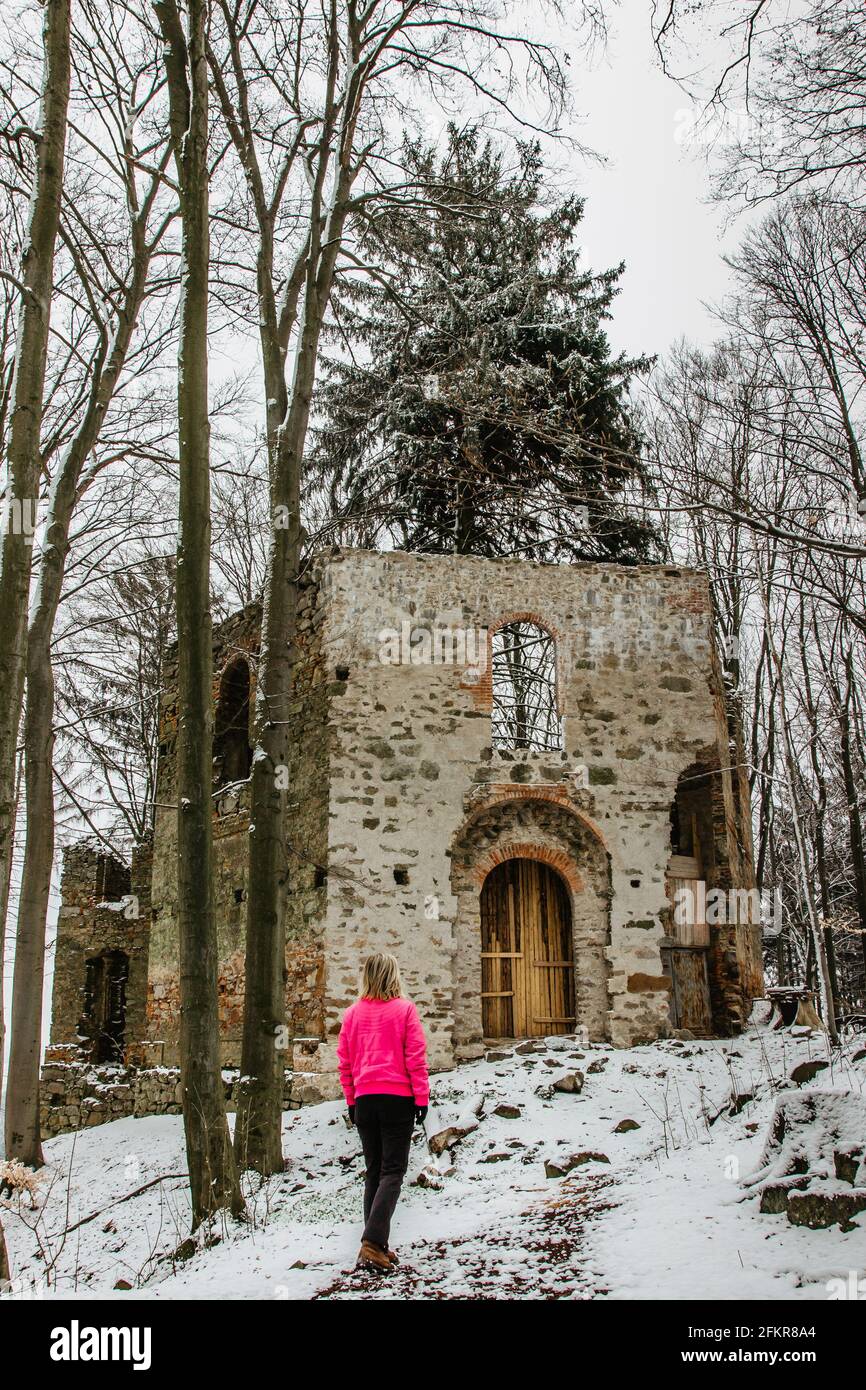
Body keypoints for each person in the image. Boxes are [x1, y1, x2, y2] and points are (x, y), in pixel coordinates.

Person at [337, 952, 429, 1273]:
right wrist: (421, 1099)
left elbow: (345, 1063)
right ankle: (373, 1243)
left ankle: (377, 1245)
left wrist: (351, 1100)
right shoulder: (405, 1010)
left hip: (365, 1101)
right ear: (394, 975)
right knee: (392, 1173)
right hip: (396, 1100)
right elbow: (415, 1057)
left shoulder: (351, 1015)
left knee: (374, 1174)